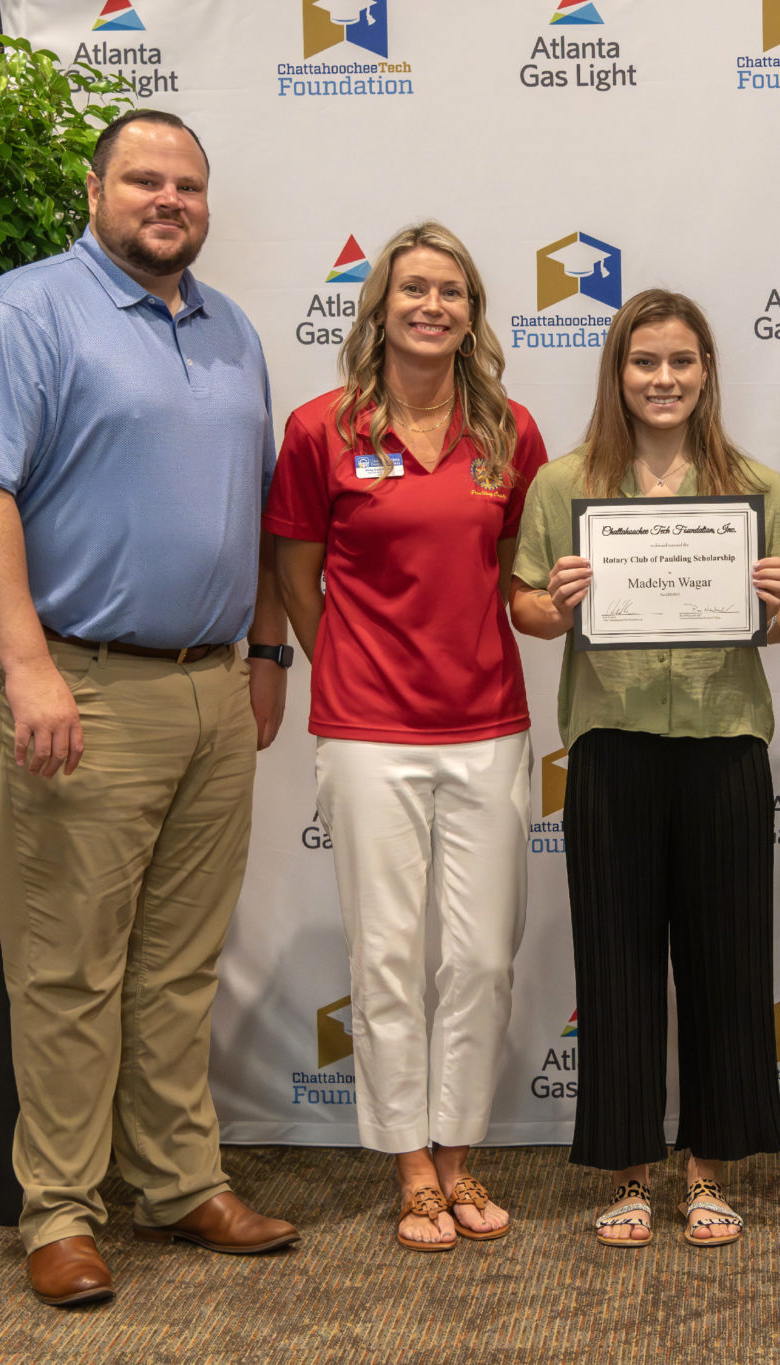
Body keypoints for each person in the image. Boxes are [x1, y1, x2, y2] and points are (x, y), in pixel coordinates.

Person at [0, 109, 299, 1308]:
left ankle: (179, 1179)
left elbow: (253, 511)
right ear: (94, 190)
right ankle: (62, 1212)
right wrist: (27, 668)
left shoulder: (231, 329)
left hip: (210, 683)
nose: (168, 199)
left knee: (179, 965)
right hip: (80, 683)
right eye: (144, 179)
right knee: (68, 969)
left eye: (188, 183)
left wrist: (269, 654)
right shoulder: (22, 313)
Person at [265, 223, 548, 1253]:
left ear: (472, 313)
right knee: (387, 955)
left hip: (488, 725)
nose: (431, 306)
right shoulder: (316, 430)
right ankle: (412, 1168)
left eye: (452, 292)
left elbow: (511, 566)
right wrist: (344, 659)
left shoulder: (510, 432)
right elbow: (295, 575)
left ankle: (461, 1150)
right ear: (378, 305)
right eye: (412, 289)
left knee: (477, 958)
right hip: (367, 729)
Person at [509, 289, 780, 1248]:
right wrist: (555, 605)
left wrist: (774, 601)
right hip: (612, 748)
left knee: (726, 964)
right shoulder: (564, 485)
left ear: (708, 371)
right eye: (645, 363)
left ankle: (710, 1171)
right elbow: (524, 606)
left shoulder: (756, 485)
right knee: (619, 961)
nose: (664, 379)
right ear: (618, 373)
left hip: (725, 746)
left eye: (681, 362)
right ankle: (630, 1173)